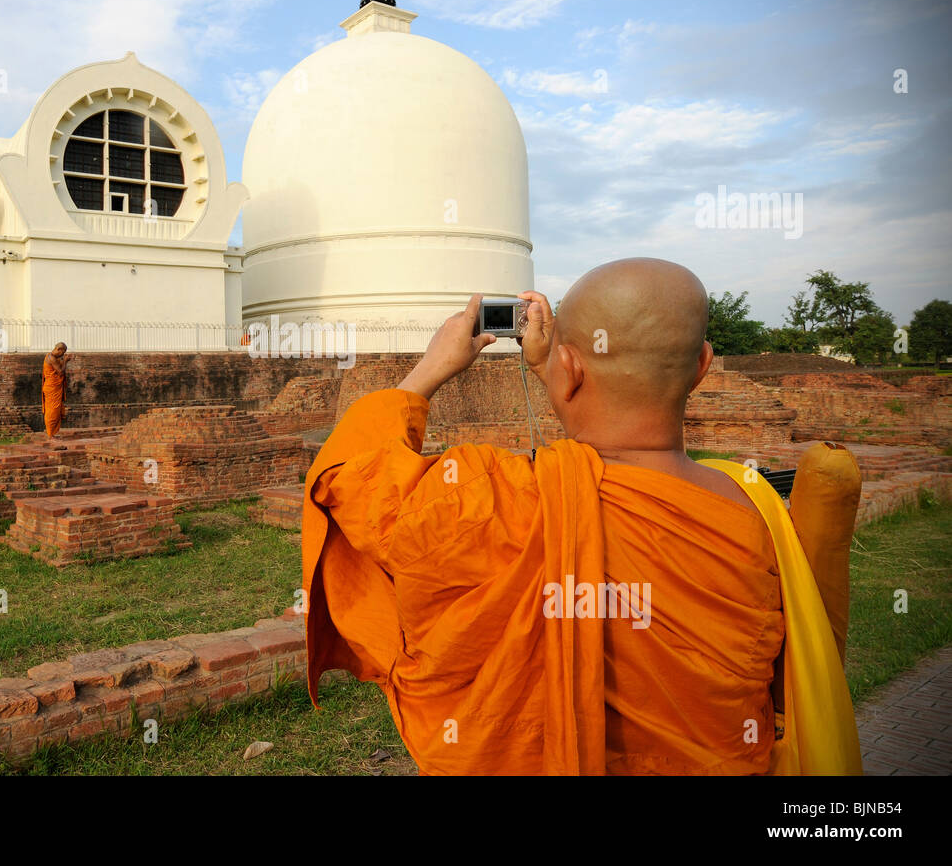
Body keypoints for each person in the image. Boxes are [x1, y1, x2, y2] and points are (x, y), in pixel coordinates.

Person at [301, 258, 860, 775]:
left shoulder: (498, 500)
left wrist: (430, 369)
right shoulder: (753, 510)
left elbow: (351, 478)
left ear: (569, 369)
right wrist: (553, 367)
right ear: (702, 368)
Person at [42, 342, 70, 438]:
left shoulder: (52, 357)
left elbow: (58, 367)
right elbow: (60, 372)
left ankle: (53, 433)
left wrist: (63, 360)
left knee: (55, 410)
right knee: (52, 411)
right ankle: (50, 435)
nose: (62, 355)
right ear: (59, 349)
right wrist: (65, 361)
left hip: (54, 387)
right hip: (52, 387)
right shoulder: (51, 358)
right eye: (62, 353)